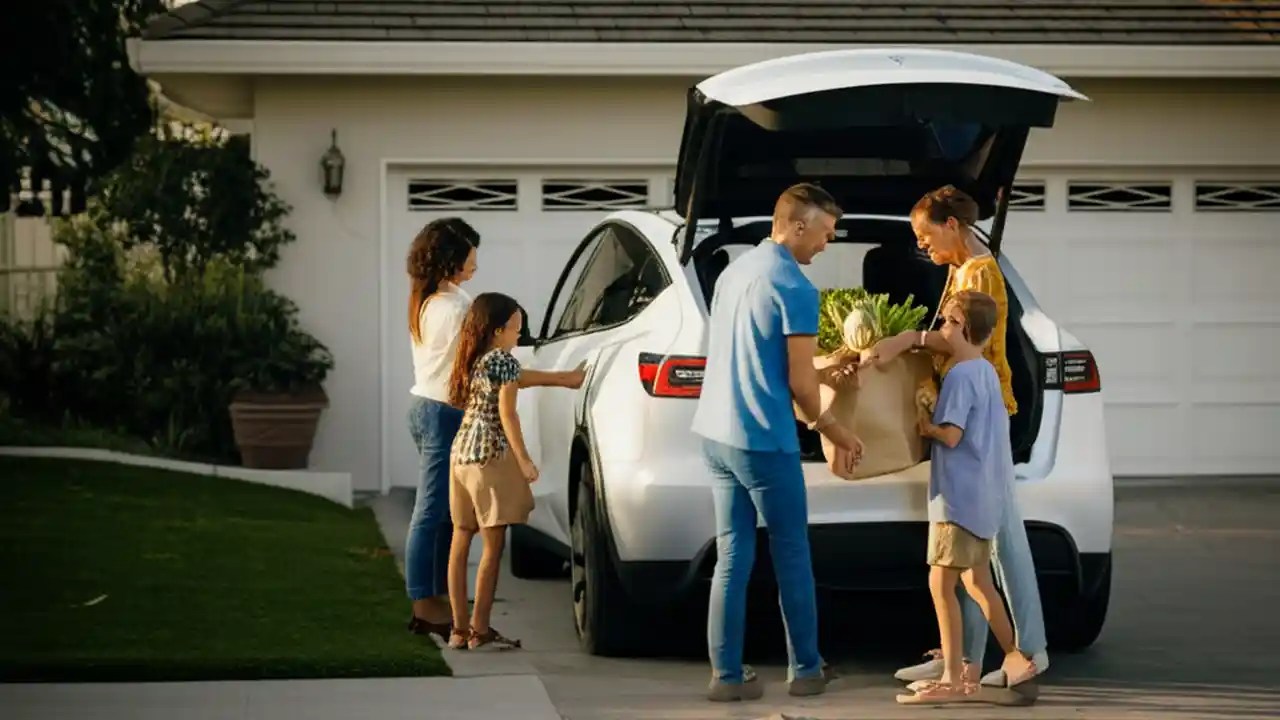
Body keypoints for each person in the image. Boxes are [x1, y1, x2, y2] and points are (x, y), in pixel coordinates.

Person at [865, 185, 1049, 689]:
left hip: (980, 418)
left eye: (926, 234)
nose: (921, 244)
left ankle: (1027, 650)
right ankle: (963, 656)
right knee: (974, 546)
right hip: (972, 413)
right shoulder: (963, 268)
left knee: (998, 540)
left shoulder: (979, 273)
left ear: (951, 225)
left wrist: (908, 339)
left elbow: (964, 343)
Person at [691, 183, 864, 702]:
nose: (827, 244)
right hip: (765, 441)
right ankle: (806, 670)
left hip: (716, 435)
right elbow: (799, 386)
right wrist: (836, 430)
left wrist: (826, 368)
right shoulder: (795, 288)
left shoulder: (734, 272)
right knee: (791, 554)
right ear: (798, 225)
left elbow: (757, 354)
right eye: (826, 233)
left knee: (732, 556)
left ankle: (726, 676)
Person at [403, 218, 583, 642]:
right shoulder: (452, 309)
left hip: (430, 409)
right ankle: (424, 603)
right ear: (449, 259)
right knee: (432, 512)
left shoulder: (435, 299)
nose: (475, 265)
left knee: (448, 517)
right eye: (470, 257)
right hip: (443, 414)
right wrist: (559, 376)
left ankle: (441, 602)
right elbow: (498, 370)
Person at [894, 291, 1037, 705]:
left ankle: (952, 679)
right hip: (982, 496)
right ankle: (1015, 658)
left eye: (948, 322)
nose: (942, 328)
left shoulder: (959, 375)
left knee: (941, 583)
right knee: (977, 581)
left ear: (965, 328)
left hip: (957, 500)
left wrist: (925, 426)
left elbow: (952, 435)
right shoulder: (987, 371)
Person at [443, 293, 582, 650]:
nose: (520, 335)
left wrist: (566, 378)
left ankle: (458, 630)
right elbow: (508, 414)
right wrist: (524, 460)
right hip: (488, 456)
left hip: (460, 456)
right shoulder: (504, 360)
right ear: (497, 330)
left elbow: (523, 378)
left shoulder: (474, 358)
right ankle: (480, 629)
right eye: (515, 329)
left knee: (461, 538)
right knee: (493, 545)